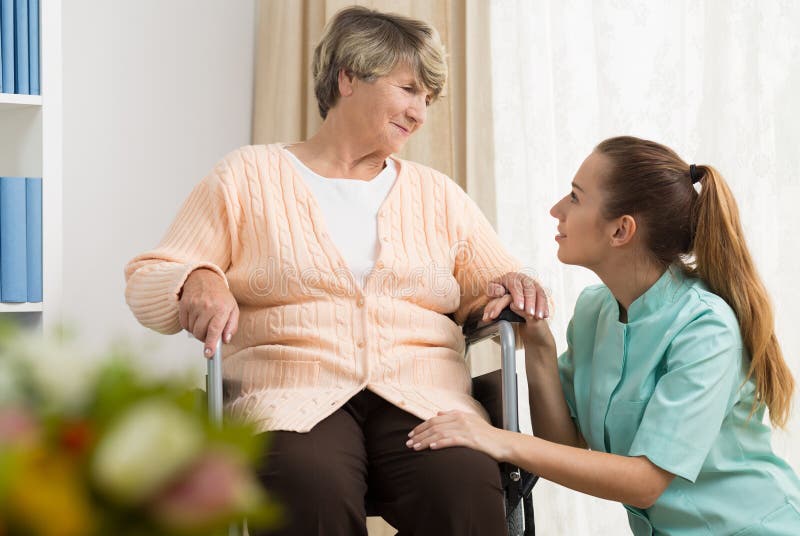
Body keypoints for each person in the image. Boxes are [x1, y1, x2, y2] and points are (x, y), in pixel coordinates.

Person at [125, 6, 547, 536]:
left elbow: (493, 282)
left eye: (429, 98)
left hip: (423, 393)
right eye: (409, 89)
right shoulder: (247, 176)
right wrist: (197, 279)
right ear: (348, 76)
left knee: (460, 483)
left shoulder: (436, 193)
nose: (420, 112)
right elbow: (150, 277)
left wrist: (512, 287)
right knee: (309, 485)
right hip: (290, 392)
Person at [408, 136, 800, 534]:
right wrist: (539, 343)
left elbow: (645, 482)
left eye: (575, 198)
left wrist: (498, 440)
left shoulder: (706, 329)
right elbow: (564, 444)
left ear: (620, 231)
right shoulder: (595, 310)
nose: (556, 209)